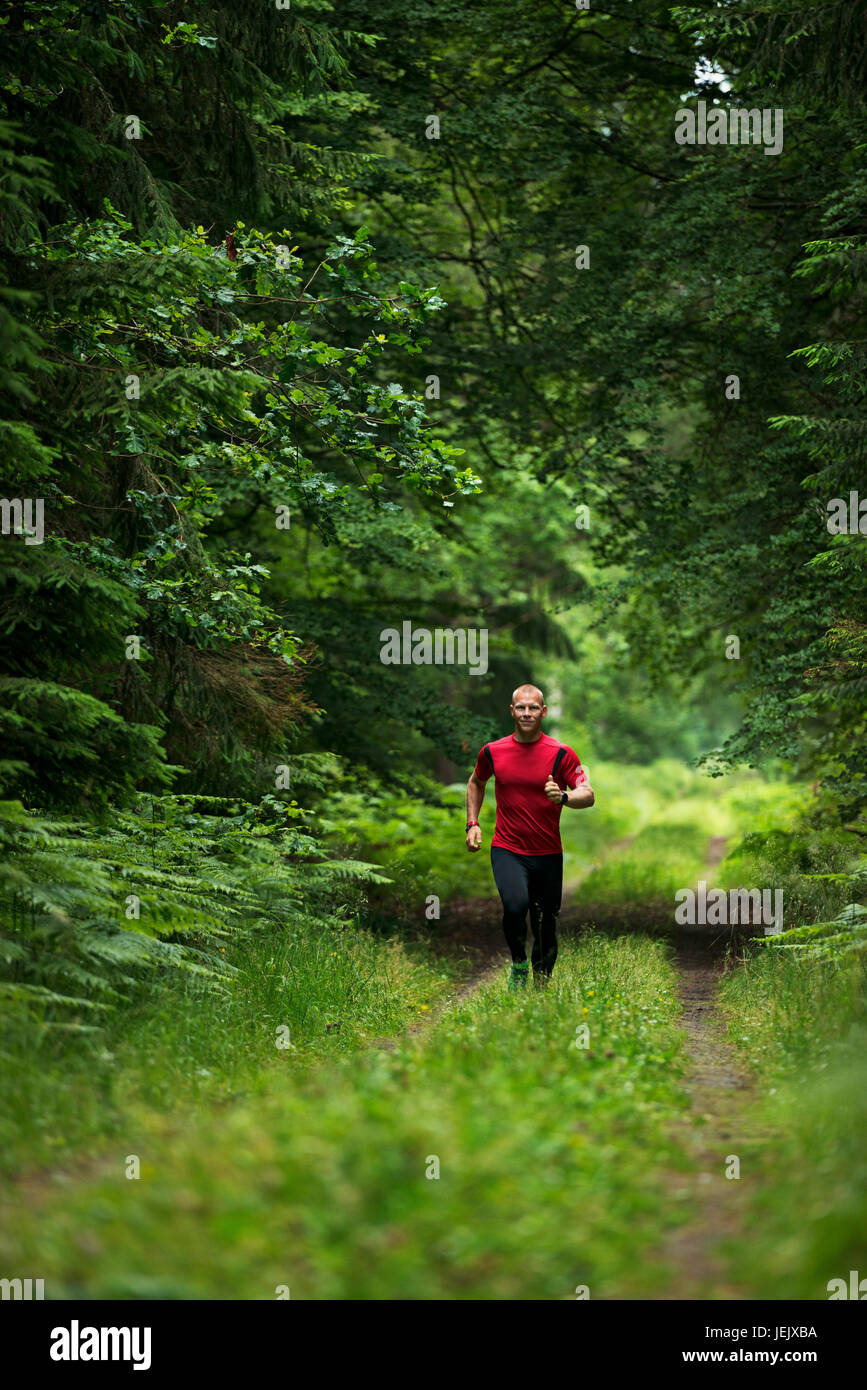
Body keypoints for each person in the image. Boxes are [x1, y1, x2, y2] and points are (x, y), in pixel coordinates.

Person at [465, 684, 594, 989]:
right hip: (507, 848)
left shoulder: (561, 754)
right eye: (520, 708)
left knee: (545, 923)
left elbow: (587, 794)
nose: (526, 713)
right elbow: (476, 782)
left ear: (543, 712)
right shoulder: (492, 751)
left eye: (533, 708)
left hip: (548, 853)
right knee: (514, 905)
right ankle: (519, 965)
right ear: (512, 711)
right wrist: (473, 823)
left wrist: (562, 796)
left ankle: (541, 986)